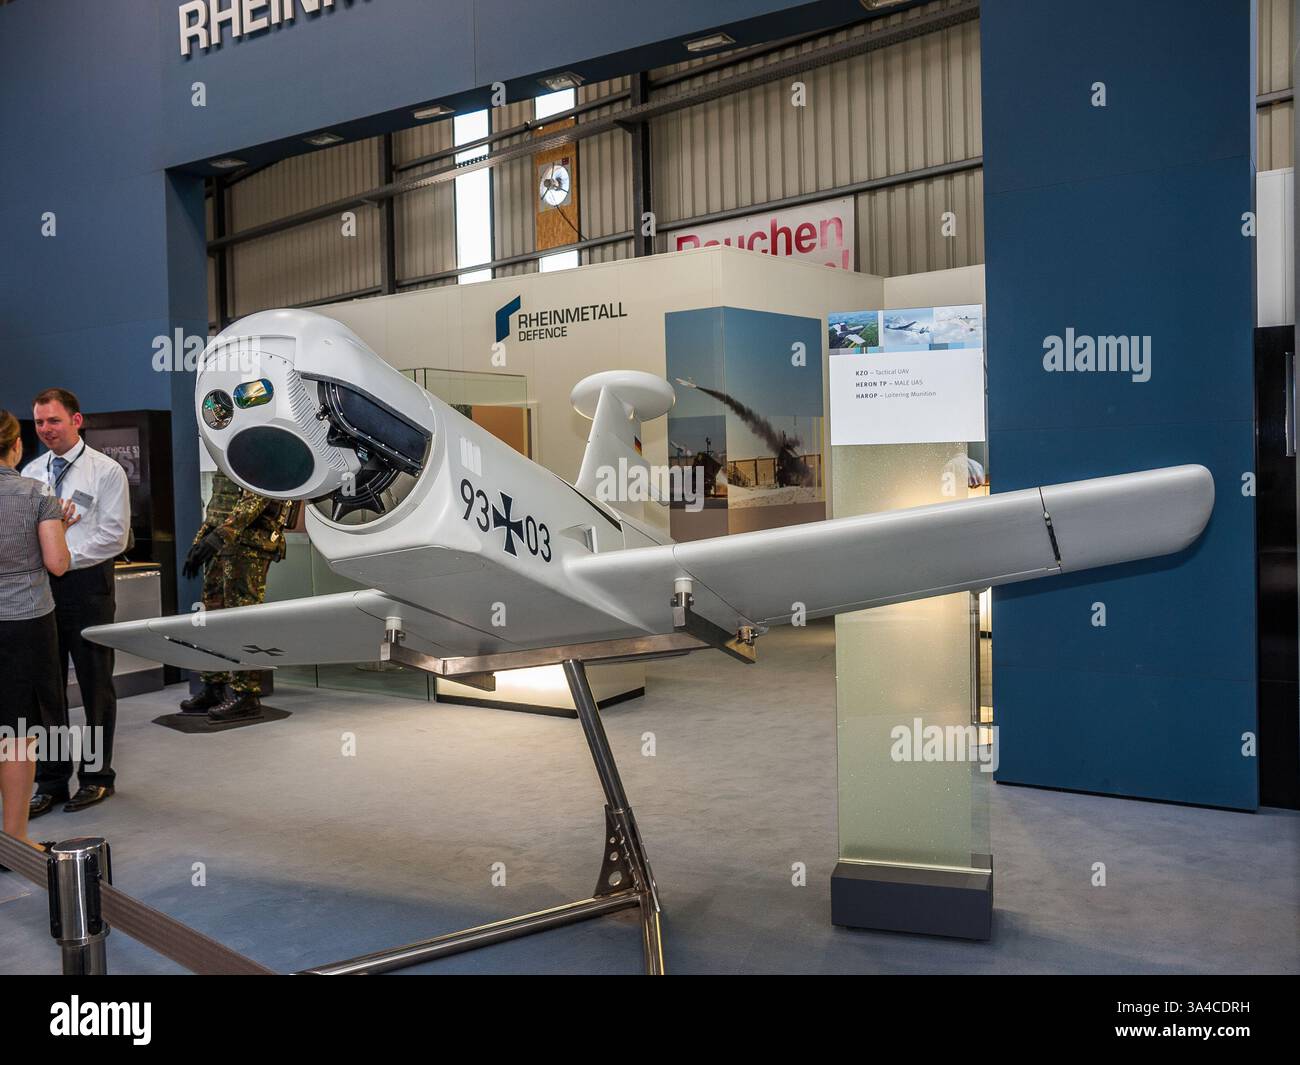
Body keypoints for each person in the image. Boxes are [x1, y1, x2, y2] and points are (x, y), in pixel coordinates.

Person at [22, 389, 131, 817]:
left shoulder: (106, 471)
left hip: (87, 587)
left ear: (77, 420)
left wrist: (64, 560)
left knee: (94, 683)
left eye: (53, 421)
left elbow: (114, 536)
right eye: (39, 423)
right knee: (46, 689)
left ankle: (97, 775)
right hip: (41, 590)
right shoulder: (31, 473)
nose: (46, 430)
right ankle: (51, 780)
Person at [0, 410, 73, 848]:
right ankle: (14, 839)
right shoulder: (36, 493)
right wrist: (61, 527)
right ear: (16, 447)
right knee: (15, 734)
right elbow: (57, 563)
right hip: (25, 624)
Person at [180, 471, 297, 722]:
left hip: (249, 545)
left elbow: (256, 499)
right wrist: (202, 540)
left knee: (243, 620)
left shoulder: (260, 446)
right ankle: (214, 684)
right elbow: (220, 500)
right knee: (213, 618)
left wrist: (216, 537)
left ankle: (247, 695)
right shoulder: (233, 444)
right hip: (223, 543)